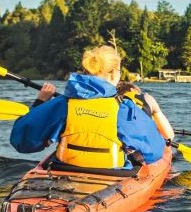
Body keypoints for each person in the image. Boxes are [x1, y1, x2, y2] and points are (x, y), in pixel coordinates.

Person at [9, 45, 166, 169]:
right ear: (113, 73)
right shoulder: (124, 109)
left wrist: (40, 103)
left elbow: (21, 140)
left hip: (64, 172)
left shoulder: (63, 104)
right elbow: (156, 151)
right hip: (110, 178)